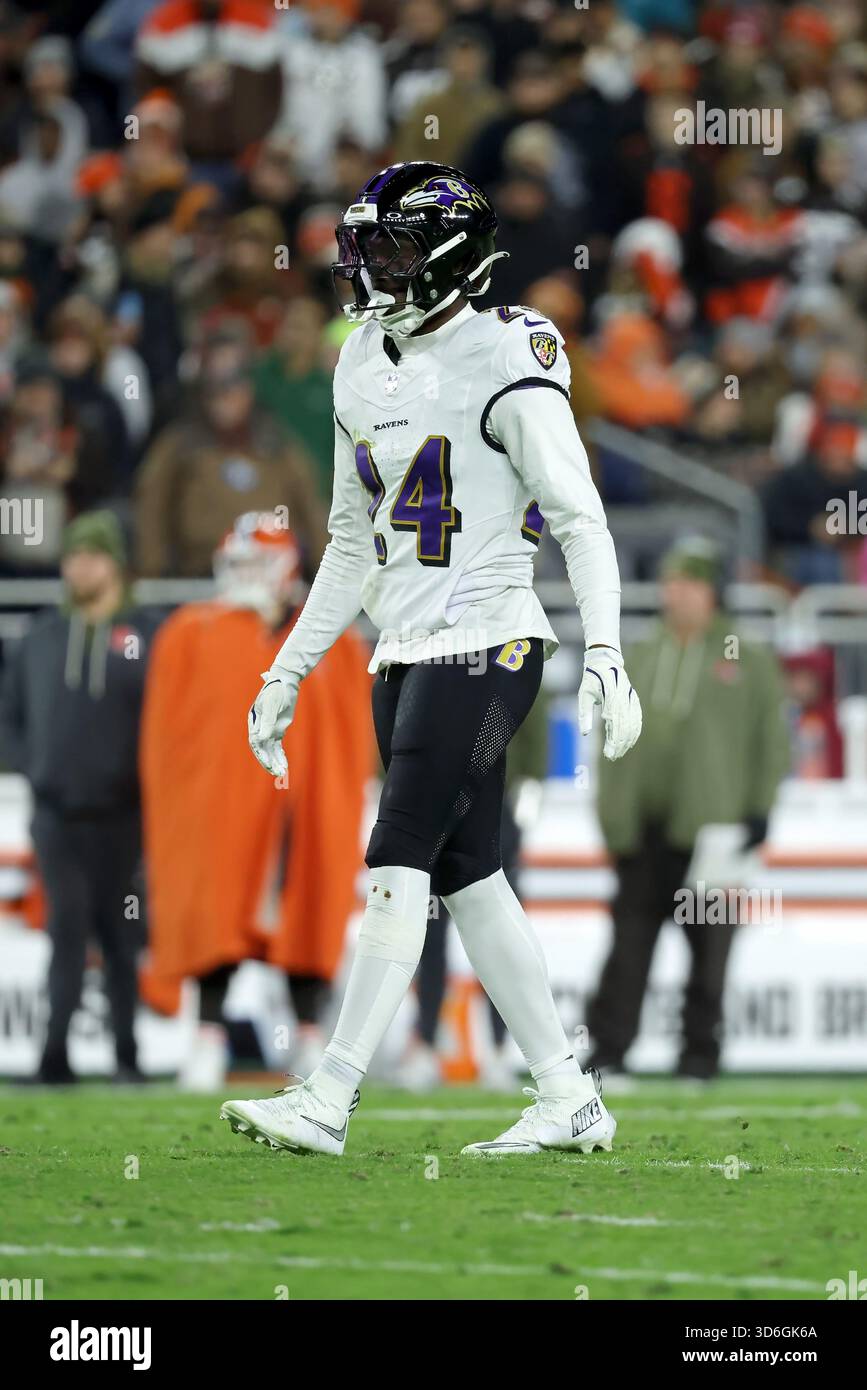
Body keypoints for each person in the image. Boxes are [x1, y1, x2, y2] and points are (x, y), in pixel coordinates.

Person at [222, 159, 642, 1158]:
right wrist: (286, 668)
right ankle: (568, 1095)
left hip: (490, 641)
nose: (370, 270)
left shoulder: (509, 354)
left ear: (450, 256)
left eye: (394, 249)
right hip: (404, 648)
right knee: (468, 874)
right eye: (363, 248)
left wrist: (609, 652)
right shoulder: (358, 362)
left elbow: (580, 519)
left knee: (398, 848)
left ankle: (328, 1093)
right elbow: (349, 539)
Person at [140, 512, 372, 1091]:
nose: (242, 575)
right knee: (216, 911)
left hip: (304, 807)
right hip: (223, 810)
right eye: (236, 562)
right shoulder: (192, 632)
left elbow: (354, 736)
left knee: (308, 911)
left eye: (254, 561)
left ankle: (312, 1040)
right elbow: (168, 739)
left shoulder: (334, 641)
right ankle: (209, 1037)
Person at [587, 537, 790, 1082]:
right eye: (670, 581)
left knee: (711, 949)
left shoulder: (745, 656)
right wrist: (612, 816)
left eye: (687, 582)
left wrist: (760, 809)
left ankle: (700, 1054)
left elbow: (771, 739)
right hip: (644, 826)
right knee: (628, 946)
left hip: (715, 829)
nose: (675, 592)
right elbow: (608, 739)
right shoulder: (641, 653)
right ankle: (609, 1051)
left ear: (709, 591)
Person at [0, 511, 161, 1083]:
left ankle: (127, 1056)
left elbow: (164, 722)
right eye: (71, 556)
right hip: (56, 813)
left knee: (122, 935)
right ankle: (53, 1057)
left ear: (114, 563)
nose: (77, 567)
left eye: (90, 556)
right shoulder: (41, 636)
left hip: (123, 816)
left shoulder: (146, 634)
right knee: (65, 928)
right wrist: (32, 768)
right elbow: (10, 715)